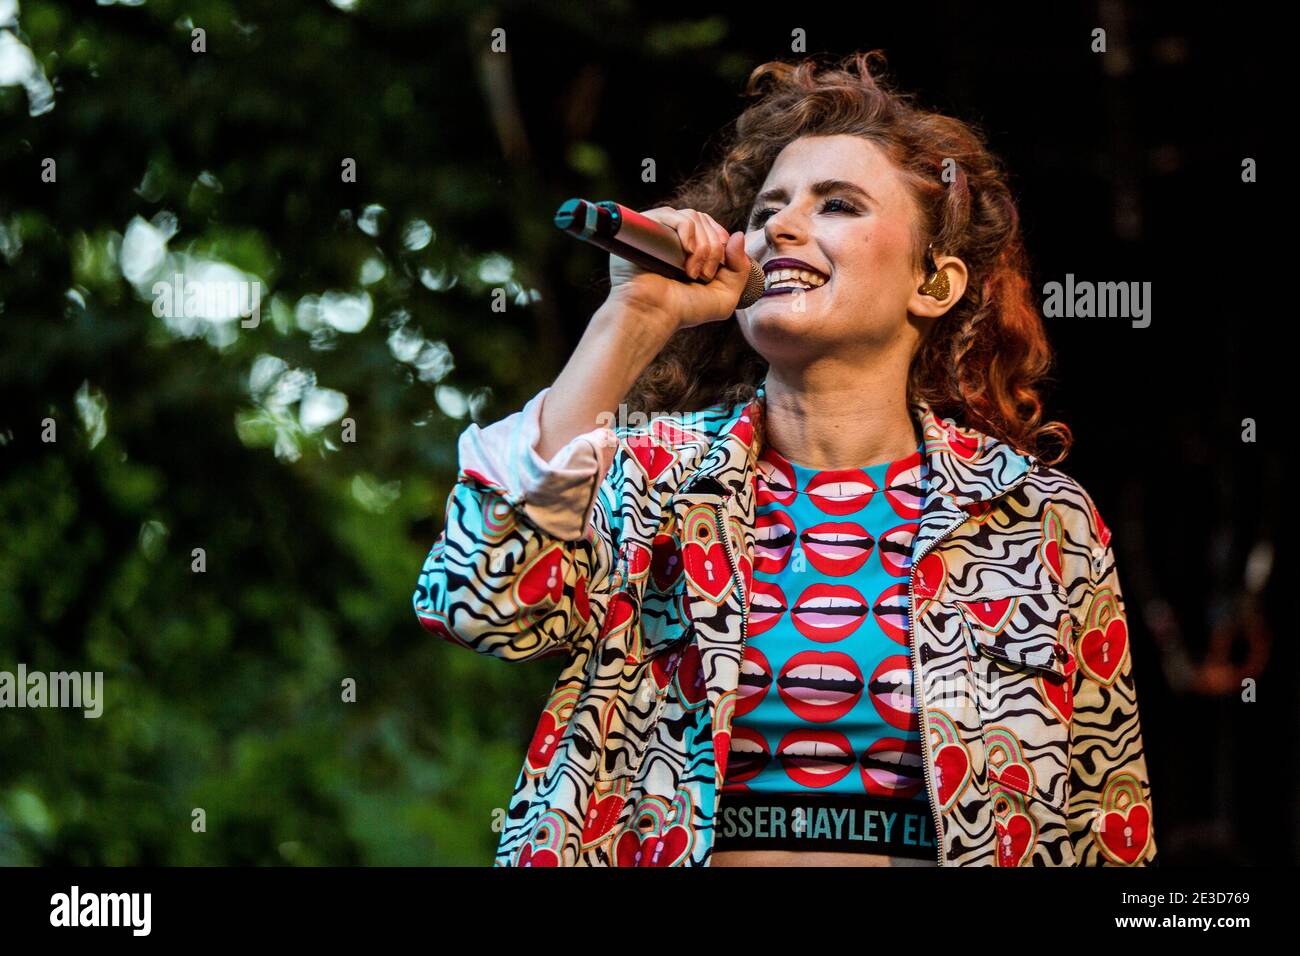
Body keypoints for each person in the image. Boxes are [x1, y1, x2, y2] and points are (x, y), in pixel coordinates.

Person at [413, 50, 1157, 867]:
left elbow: (1109, 826)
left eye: (836, 205)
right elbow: (479, 604)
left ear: (934, 284)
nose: (782, 227)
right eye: (767, 209)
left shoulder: (1037, 519)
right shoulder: (649, 478)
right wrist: (632, 315)